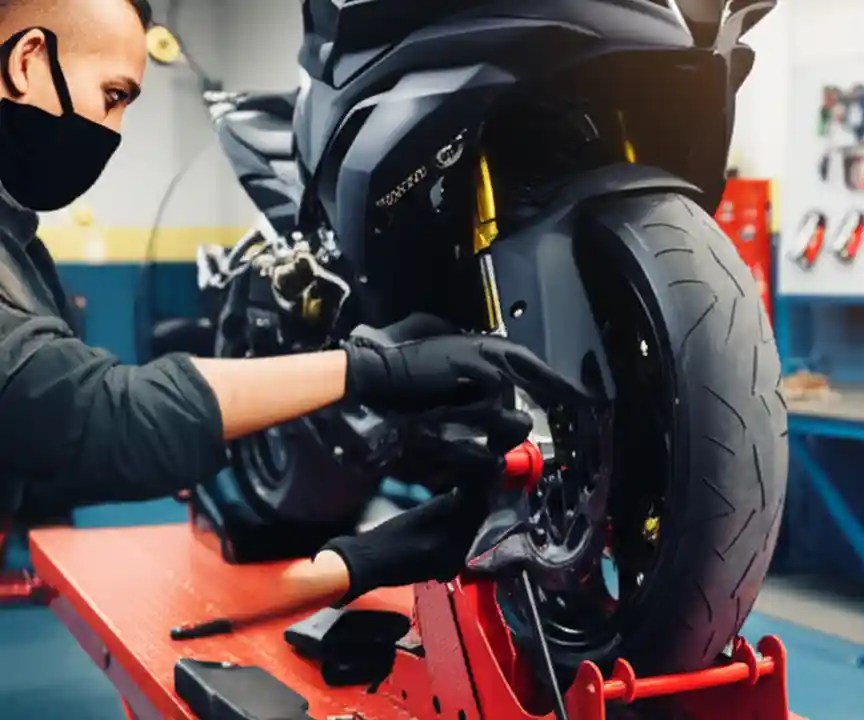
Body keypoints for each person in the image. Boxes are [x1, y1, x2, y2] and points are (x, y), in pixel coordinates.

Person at [0, 0, 574, 598]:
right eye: (113, 95)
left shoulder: (21, 247)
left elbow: (43, 451)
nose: (113, 130)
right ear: (28, 60)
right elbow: (91, 419)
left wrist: (361, 561)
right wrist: (369, 371)